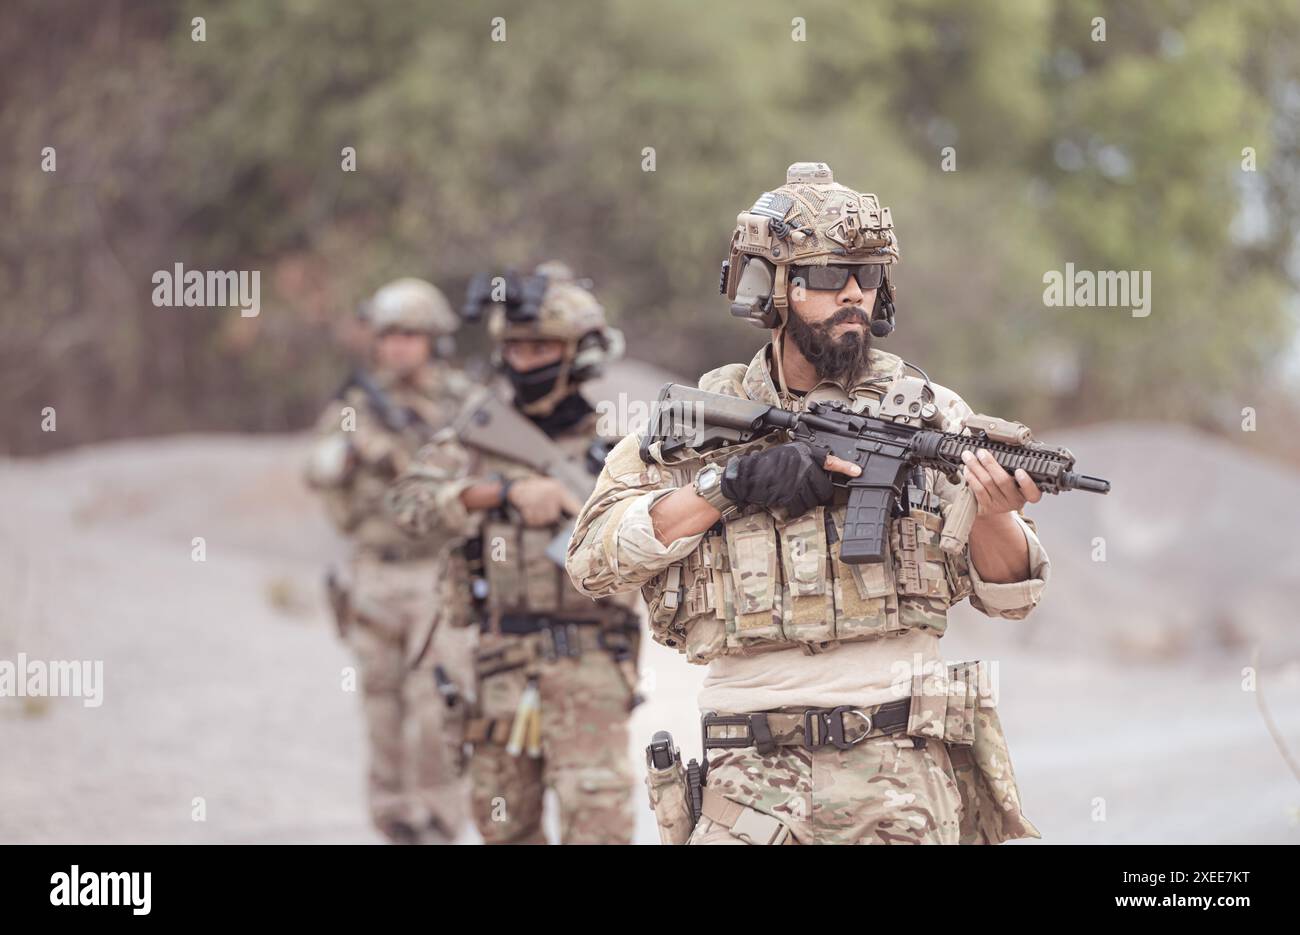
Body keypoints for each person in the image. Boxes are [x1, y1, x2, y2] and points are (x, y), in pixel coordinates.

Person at [566, 163, 1050, 845]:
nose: (853, 293)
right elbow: (590, 560)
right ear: (772, 286)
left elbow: (1012, 599)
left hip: (897, 767)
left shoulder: (930, 414)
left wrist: (996, 508)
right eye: (827, 276)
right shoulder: (707, 418)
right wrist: (728, 488)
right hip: (749, 773)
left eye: (868, 274)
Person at [388, 263, 640, 844]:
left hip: (593, 662)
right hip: (500, 662)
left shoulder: (621, 446)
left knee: (599, 825)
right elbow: (407, 504)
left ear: (579, 353)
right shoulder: (476, 439)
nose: (526, 361)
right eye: (515, 348)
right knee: (503, 827)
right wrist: (498, 493)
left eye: (543, 347)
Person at [304, 278, 473, 843]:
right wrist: (356, 452)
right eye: (388, 335)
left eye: (409, 335)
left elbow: (480, 475)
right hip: (376, 570)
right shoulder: (358, 404)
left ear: (433, 340)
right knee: (380, 708)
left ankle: (440, 820)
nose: (397, 347)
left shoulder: (461, 403)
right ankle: (395, 820)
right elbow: (319, 469)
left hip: (437, 573)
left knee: (438, 707)